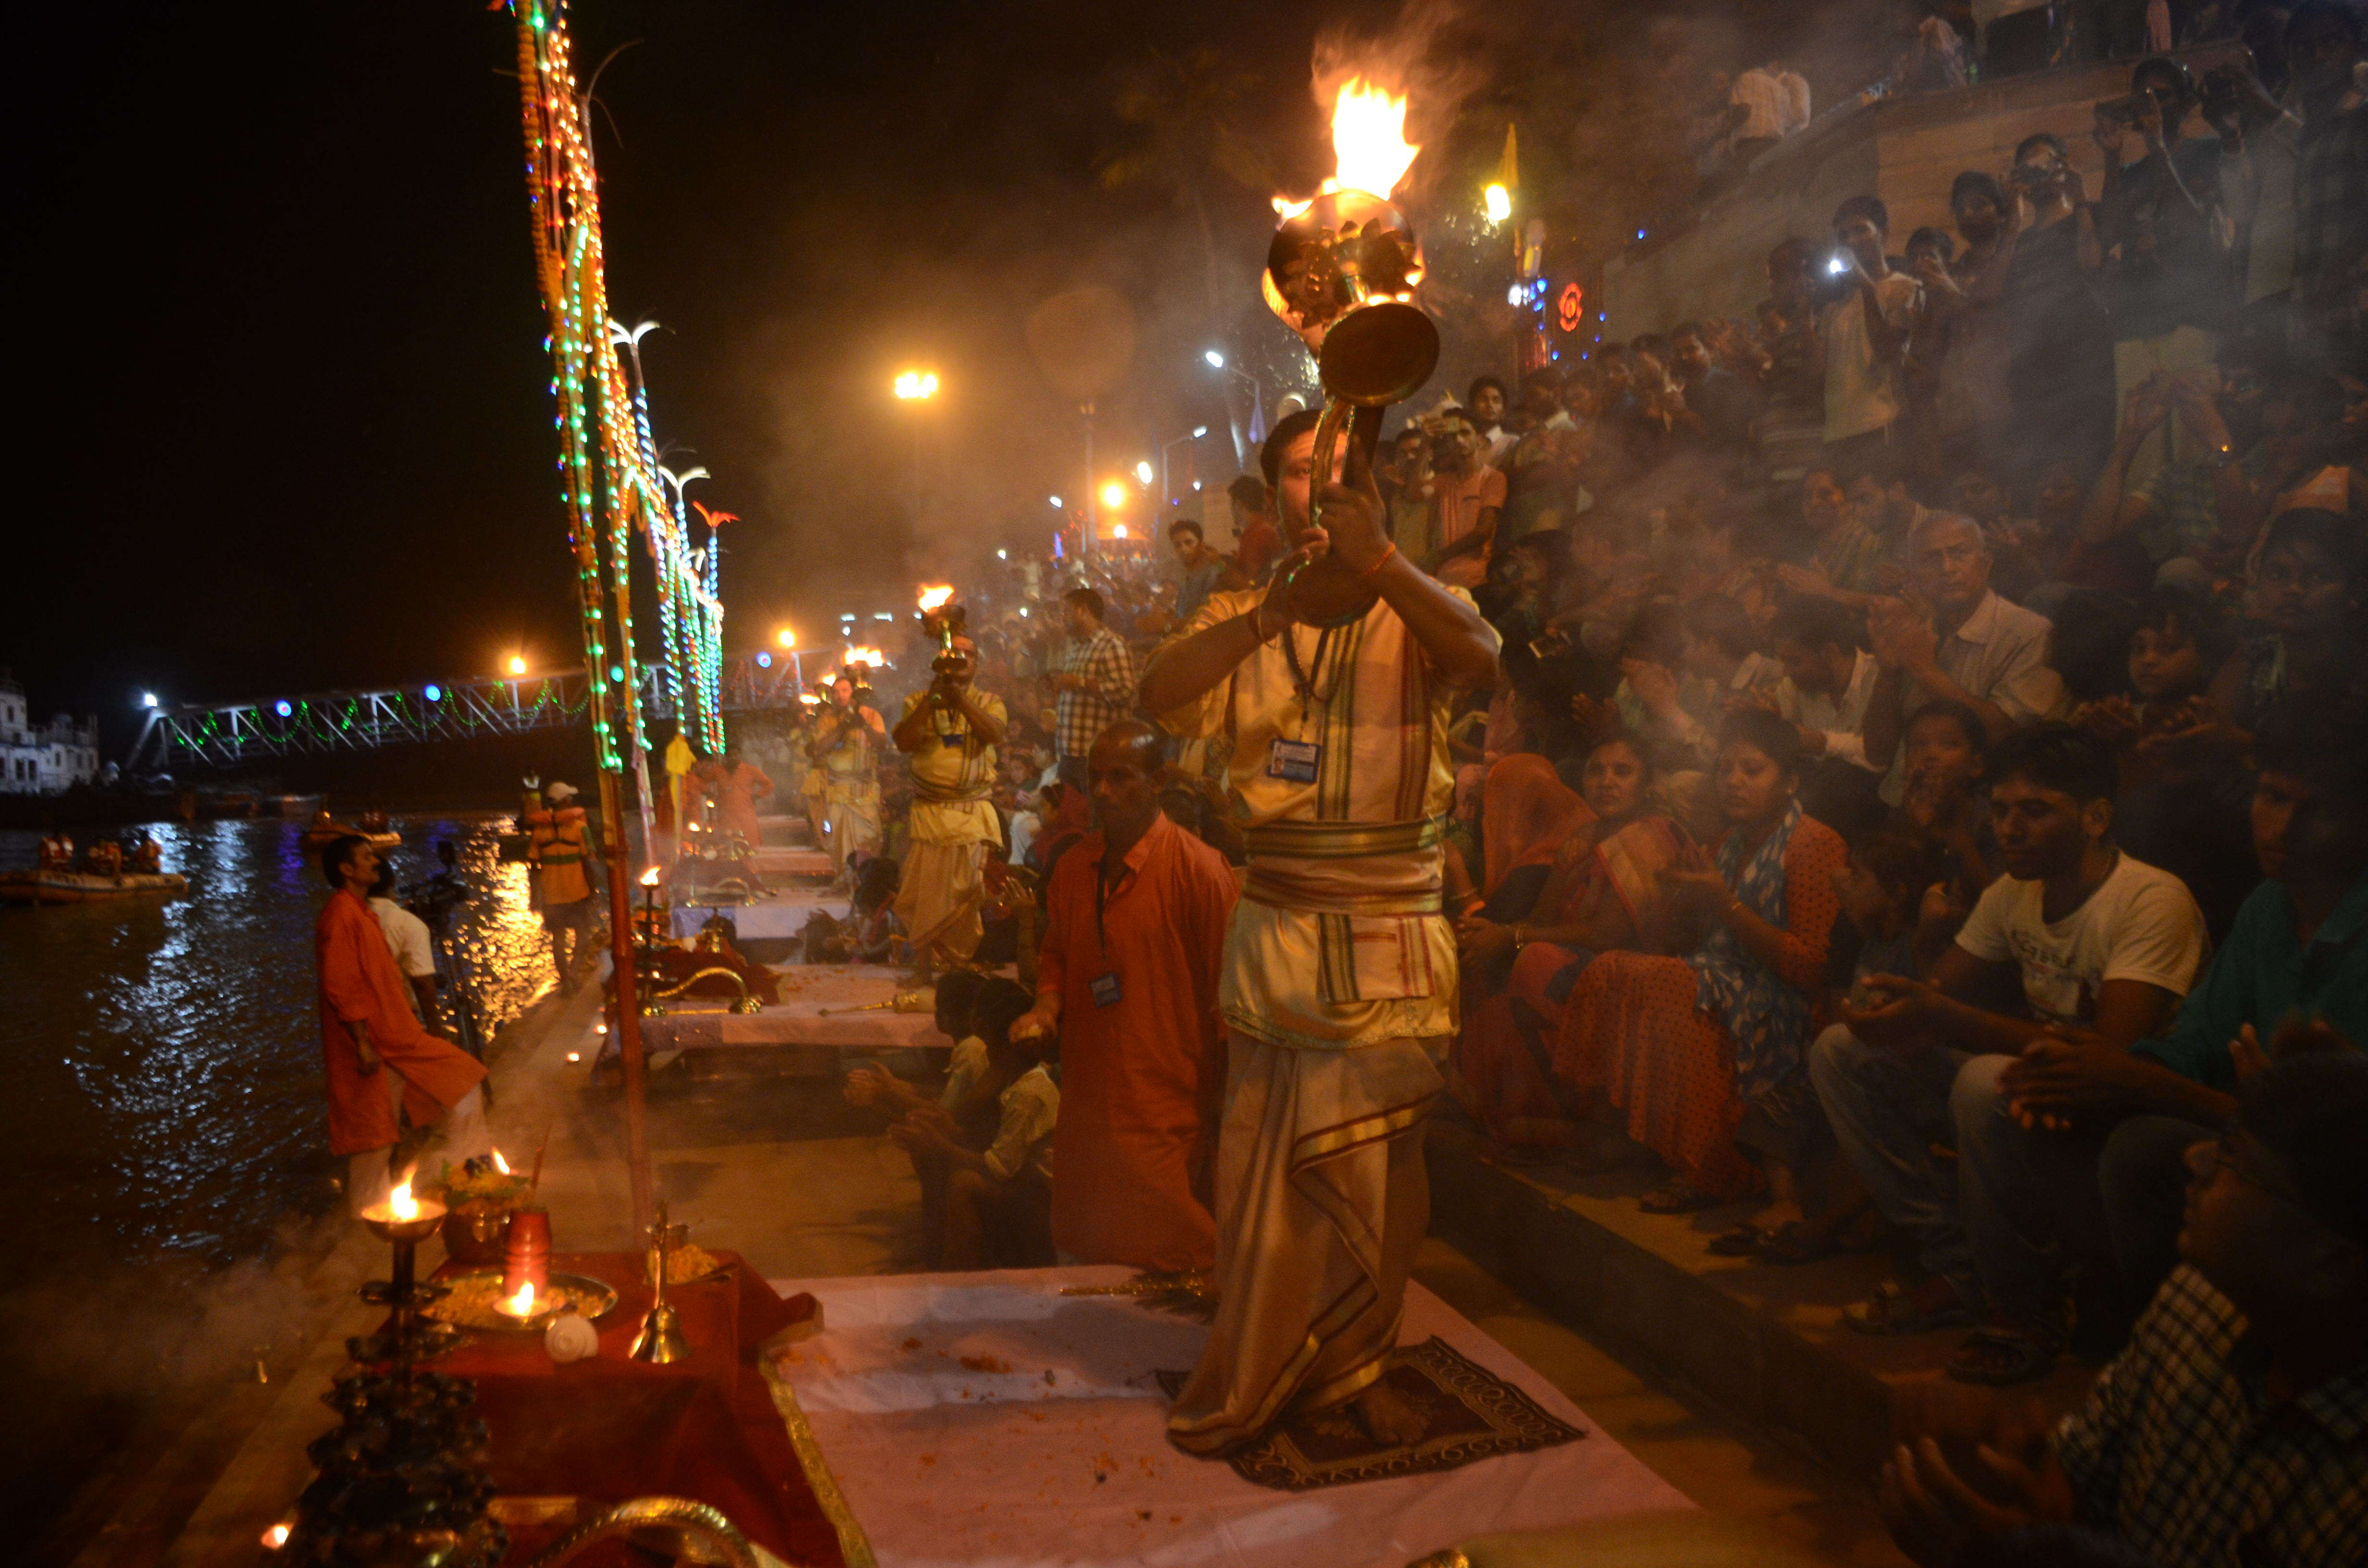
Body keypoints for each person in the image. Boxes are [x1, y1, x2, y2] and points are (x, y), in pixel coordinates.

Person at [1143, 405, 1500, 1454]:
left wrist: (1381, 560)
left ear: (1376, 486)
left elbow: (1479, 656)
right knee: (1268, 1169)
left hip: (1395, 927)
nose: (1325, 487)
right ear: (1273, 496)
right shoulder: (1242, 612)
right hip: (1283, 933)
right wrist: (1268, 617)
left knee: (1387, 1168)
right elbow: (1160, 697)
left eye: (1345, 468)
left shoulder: (1419, 601)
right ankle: (1270, 1348)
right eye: (1303, 471)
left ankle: (1359, 1363)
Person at [1819, 726, 2209, 1384]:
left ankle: (2026, 1310)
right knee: (1841, 1051)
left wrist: (1945, 1016)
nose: (2008, 829)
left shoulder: (2148, 899)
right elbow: (1939, 992)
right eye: (1999, 810)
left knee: (1983, 1082)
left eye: (2034, 811)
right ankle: (1958, 1267)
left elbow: (2108, 1058)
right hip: (2040, 1085)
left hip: (2128, 1110)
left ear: (2095, 817)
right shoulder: (2013, 893)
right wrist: (1893, 1011)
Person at [1878, 1051, 2368, 1568]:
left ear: (2331, 1262)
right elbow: (2077, 1488)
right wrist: (2001, 1472)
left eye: (2232, 1158)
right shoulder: (2194, 1307)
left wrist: (2025, 1554)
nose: (2195, 1158)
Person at [1553, 710, 1848, 1219]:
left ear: (1790, 781)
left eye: (1751, 770)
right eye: (1725, 769)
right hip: (1718, 980)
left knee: (1671, 985)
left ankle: (1710, 1165)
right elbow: (1683, 943)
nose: (1733, 781)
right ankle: (1621, 1131)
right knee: (1614, 970)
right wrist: (1676, 902)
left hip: (1783, 1002)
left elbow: (1809, 967)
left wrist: (1723, 904)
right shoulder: (1727, 843)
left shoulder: (1814, 843)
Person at [1012, 720, 1237, 1274]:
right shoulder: (1073, 868)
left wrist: (1227, 1113)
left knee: (1172, 1263)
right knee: (1087, 1257)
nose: (1103, 792)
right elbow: (1057, 955)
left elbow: (1231, 1005)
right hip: (1088, 1104)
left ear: (1157, 781)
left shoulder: (1199, 871)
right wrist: (1046, 1006)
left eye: (1120, 777)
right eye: (1095, 777)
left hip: (1168, 1109)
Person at [1452, 733, 1695, 1153]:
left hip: (1630, 975)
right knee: (1483, 965)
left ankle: (1577, 1119)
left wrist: (1511, 937)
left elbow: (1605, 936)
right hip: (1575, 960)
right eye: (1596, 771)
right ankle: (1518, 1110)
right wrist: (1492, 936)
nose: (1607, 781)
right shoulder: (1582, 838)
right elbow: (1540, 920)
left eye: (1623, 772)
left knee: (1537, 961)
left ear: (1647, 784)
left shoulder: (1652, 834)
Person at [316, 835, 490, 1214]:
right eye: (367, 857)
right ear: (347, 870)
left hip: (395, 1034)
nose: (376, 862)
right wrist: (362, 1042)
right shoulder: (342, 915)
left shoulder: (360, 912)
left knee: (457, 1087)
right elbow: (342, 984)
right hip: (373, 1040)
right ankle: (374, 1214)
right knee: (373, 1135)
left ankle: (456, 1176)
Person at [2097, 57, 2237, 490]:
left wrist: (2158, 146)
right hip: (2136, 318)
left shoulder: (2207, 152)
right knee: (2141, 444)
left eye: (2162, 96)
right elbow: (2107, 234)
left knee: (2195, 435)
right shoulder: (2130, 173)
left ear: (2187, 102)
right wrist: (2112, 156)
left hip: (2191, 311)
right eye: (2143, 99)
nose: (2152, 107)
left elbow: (2190, 223)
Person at [1862, 512, 2067, 803]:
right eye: (1931, 559)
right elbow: (1878, 754)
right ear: (1913, 576)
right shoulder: (1910, 628)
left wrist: (1926, 673)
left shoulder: (2028, 632)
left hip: (1982, 811)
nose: (1947, 568)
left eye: (1959, 553)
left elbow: (2010, 739)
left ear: (1986, 563)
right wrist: (1888, 675)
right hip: (1903, 801)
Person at [887, 983, 1057, 1270]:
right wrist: (944, 1129)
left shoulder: (1029, 1093)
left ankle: (955, 1272)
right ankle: (938, 1255)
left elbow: (999, 1167)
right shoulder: (1021, 1082)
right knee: (946, 1153)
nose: (986, 1052)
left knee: (965, 1183)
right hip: (1025, 1178)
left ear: (1007, 1049)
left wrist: (940, 1144)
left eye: (990, 1045)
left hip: (1042, 1193)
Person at [2004, 132, 2116, 490]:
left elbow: (2092, 264)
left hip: (2085, 365)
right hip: (2037, 375)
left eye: (2046, 163)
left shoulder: (2087, 217)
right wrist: (2013, 215)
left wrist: (2080, 199)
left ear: (2062, 166)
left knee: (2088, 466)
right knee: (2045, 476)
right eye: (2030, 167)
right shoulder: (2021, 241)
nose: (2040, 172)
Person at [891, 633, 1008, 969]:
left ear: (976, 663)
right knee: (924, 894)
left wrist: (960, 699)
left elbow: (994, 734)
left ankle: (958, 966)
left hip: (971, 812)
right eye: (952, 654)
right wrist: (933, 700)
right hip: (929, 813)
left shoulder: (989, 701)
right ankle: (923, 970)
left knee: (966, 892)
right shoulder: (918, 700)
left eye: (966, 655)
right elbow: (904, 743)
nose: (959, 660)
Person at [1922, 172, 2022, 482]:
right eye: (1960, 208)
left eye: (1978, 205)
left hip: (2006, 402)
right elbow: (1934, 349)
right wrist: (1935, 305)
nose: (1967, 214)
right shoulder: (1954, 271)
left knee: (2005, 489)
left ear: (2001, 213)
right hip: (1959, 411)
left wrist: (2014, 229)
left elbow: (1989, 301)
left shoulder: (2019, 262)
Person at [1822, 195, 1922, 466]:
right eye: (1843, 236)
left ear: (1884, 234)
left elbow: (1887, 351)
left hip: (1882, 423)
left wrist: (1868, 288)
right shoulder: (1838, 307)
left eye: (1860, 230)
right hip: (1839, 432)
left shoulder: (1904, 288)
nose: (1851, 242)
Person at [1050, 588, 1136, 789]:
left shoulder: (1112, 645)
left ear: (1083, 611)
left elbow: (1125, 691)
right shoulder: (1076, 647)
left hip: (1097, 755)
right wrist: (1061, 686)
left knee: (1098, 807)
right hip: (1069, 753)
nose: (1062, 617)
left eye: (1066, 611)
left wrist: (1079, 683)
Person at [1421, 405, 1507, 590]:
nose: (1459, 440)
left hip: (1474, 581)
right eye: (1452, 436)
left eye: (1465, 433)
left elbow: (1483, 532)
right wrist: (1426, 441)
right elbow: (1413, 494)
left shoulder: (1493, 478)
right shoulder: (1443, 481)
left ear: (1479, 438)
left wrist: (1440, 556)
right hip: (1441, 582)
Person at [813, 674, 886, 882]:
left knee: (869, 839)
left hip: (865, 791)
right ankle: (845, 880)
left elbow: (881, 744)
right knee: (839, 840)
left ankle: (866, 883)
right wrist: (843, 727)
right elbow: (819, 749)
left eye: (844, 691)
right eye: (836, 692)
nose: (840, 696)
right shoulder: (827, 721)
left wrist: (864, 726)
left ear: (854, 693)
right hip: (838, 792)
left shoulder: (871, 715)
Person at [526, 781, 597, 988]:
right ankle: (574, 972)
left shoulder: (540, 831)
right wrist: (593, 891)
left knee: (558, 938)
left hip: (552, 896)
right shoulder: (580, 828)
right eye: (569, 798)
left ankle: (565, 980)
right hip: (578, 893)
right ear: (564, 802)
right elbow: (588, 863)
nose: (572, 800)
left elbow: (533, 866)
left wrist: (534, 897)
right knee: (583, 934)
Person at [367, 857, 440, 1030]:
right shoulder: (407, 923)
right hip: (399, 1020)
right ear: (392, 881)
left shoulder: (354, 915)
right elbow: (423, 984)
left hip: (364, 1020)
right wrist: (436, 1033)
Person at [701, 743, 774, 855]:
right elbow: (701, 782)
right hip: (726, 814)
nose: (733, 758)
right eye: (730, 755)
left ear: (740, 756)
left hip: (746, 813)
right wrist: (709, 793)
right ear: (726, 757)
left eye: (736, 755)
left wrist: (757, 796)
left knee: (750, 846)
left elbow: (769, 785)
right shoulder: (718, 771)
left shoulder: (750, 770)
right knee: (727, 846)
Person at [1227, 474, 1282, 582]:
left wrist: (1218, 564)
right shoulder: (1262, 529)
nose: (1231, 510)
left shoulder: (1256, 535)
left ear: (1239, 505)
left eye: (1232, 504)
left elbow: (1248, 583)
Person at [1168, 518, 1222, 625]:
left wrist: (1166, 626)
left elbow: (1205, 619)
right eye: (1178, 545)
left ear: (1201, 546)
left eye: (1189, 543)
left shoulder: (1212, 574)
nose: (1183, 549)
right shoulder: (1185, 581)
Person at [1467, 375, 1516, 462]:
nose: (1490, 405)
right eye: (1483, 400)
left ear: (1503, 411)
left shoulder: (1513, 443)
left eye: (1496, 401)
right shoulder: (1465, 442)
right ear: (1472, 407)